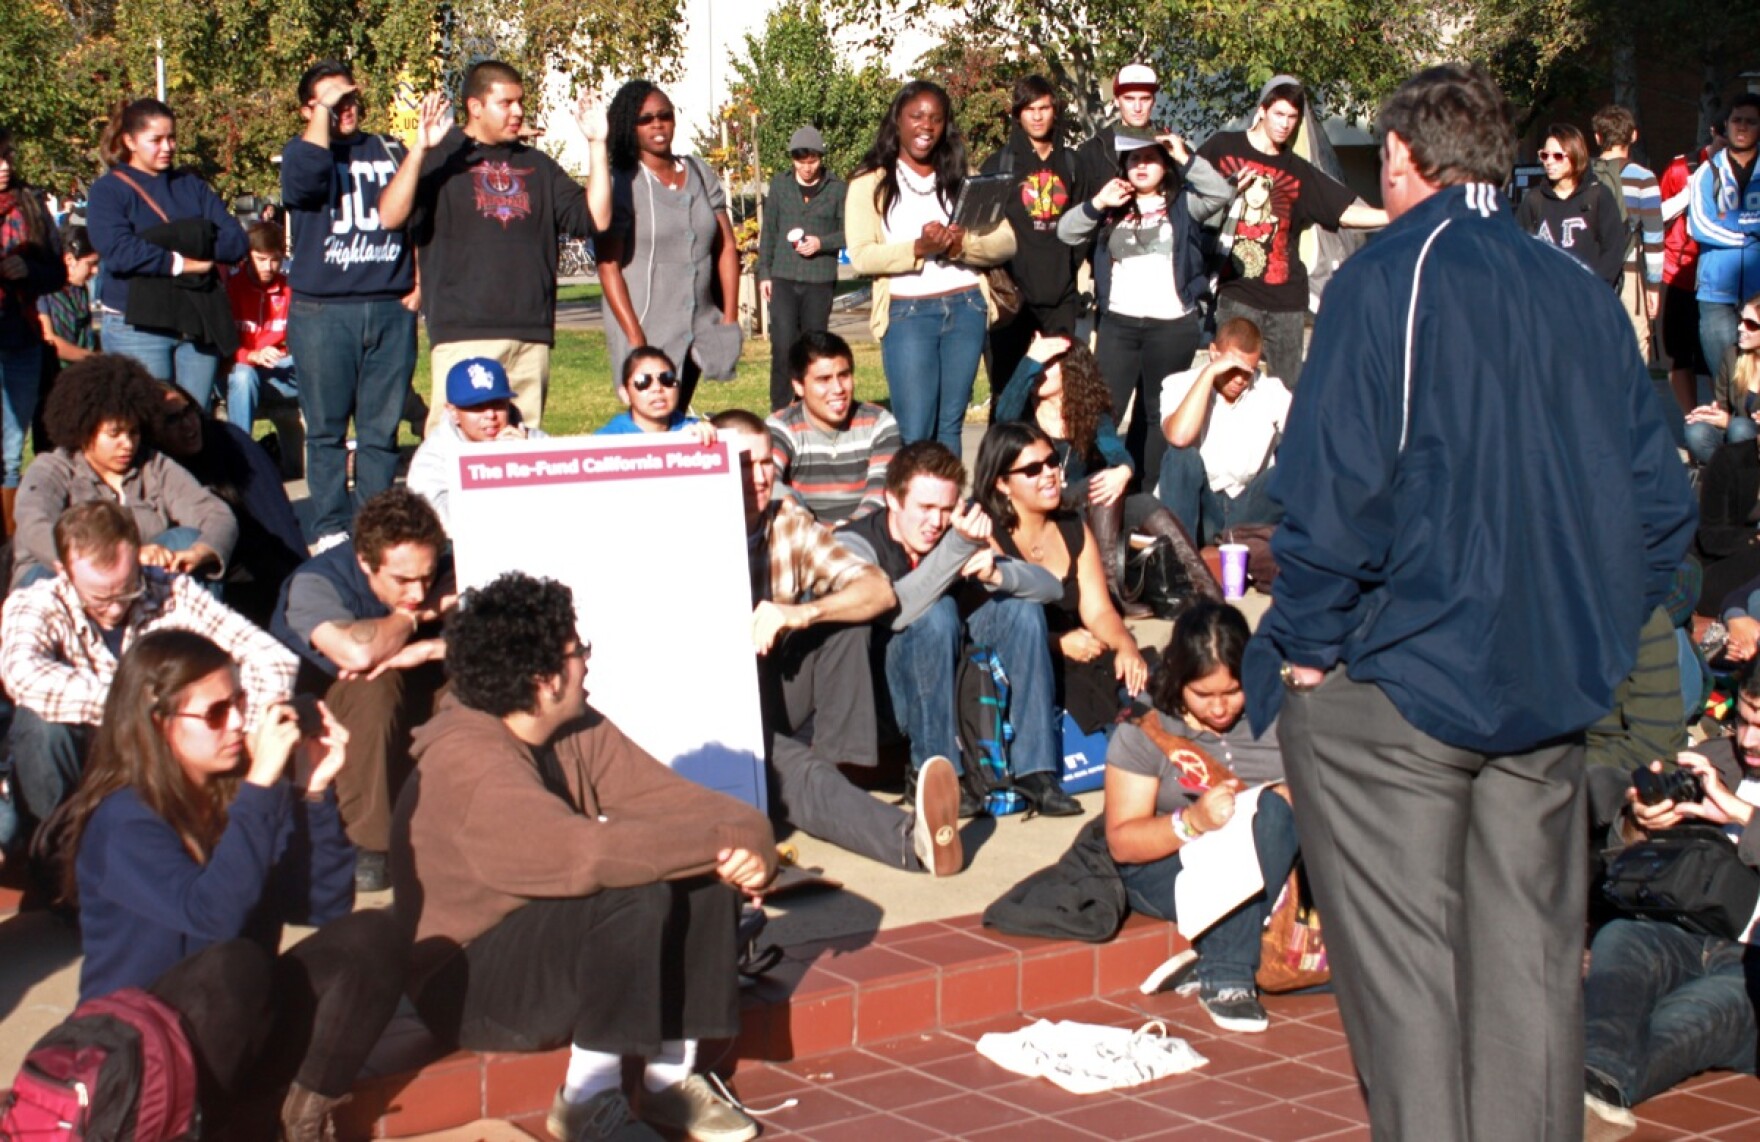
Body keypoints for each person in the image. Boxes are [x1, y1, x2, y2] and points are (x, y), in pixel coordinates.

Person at [1246, 63, 1696, 1140]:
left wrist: (1305, 638)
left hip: (1398, 678)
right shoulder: (1576, 293)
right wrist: (1589, 620)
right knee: (1528, 973)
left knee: (1410, 983)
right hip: (1541, 678)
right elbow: (1657, 500)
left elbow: (1337, 484)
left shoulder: (1384, 278)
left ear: (1400, 161)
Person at [393, 572, 772, 1142]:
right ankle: (587, 1102)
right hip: (465, 982)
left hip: (539, 944)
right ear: (544, 679)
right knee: (637, 885)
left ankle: (670, 1082)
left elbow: (681, 806)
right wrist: (717, 842)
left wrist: (749, 843)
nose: (588, 663)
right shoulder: (466, 762)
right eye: (578, 651)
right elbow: (582, 856)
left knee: (694, 863)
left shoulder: (572, 728)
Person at [61, 629, 405, 1140]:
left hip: (235, 1023)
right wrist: (262, 786)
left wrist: (313, 792)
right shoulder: (123, 820)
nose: (240, 723)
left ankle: (300, 1119)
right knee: (234, 963)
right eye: (216, 713)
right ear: (157, 725)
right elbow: (214, 917)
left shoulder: (239, 799)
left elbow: (324, 905)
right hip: (138, 1051)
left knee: (373, 936)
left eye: (240, 703)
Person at [711, 408, 964, 876]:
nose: (762, 475)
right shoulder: (681, 523)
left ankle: (838, 769)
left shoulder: (786, 520)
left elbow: (877, 590)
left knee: (844, 618)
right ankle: (912, 841)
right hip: (714, 709)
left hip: (772, 683)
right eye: (745, 464)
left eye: (768, 462)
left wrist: (801, 612)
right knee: (795, 772)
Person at [1, 500, 297, 828]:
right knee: (40, 726)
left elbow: (272, 658)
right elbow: (22, 674)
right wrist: (135, 703)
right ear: (63, 572)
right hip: (89, 750)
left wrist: (251, 727)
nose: (115, 610)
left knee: (256, 702)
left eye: (127, 591)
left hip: (169, 746)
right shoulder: (35, 602)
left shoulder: (168, 588)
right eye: (100, 598)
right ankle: (52, 852)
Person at [838, 439, 1071, 817]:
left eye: (946, 509)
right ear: (892, 500)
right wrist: (956, 549)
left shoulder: (953, 533)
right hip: (881, 699)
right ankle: (934, 771)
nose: (936, 522)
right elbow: (895, 611)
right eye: (925, 508)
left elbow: (1051, 588)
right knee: (937, 613)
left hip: (948, 686)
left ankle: (1035, 770)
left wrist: (996, 572)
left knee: (1021, 612)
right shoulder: (856, 543)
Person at [1581, 663, 1760, 1138]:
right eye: (1743, 719)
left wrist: (1743, 814)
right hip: (1684, 935)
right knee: (1623, 940)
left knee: (1692, 1016)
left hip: (1752, 968)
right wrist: (1641, 822)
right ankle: (1592, 1091)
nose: (1748, 741)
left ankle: (1585, 1090)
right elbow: (1632, 870)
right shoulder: (1715, 759)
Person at [1104, 600, 1298, 1032]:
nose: (1219, 708)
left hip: (1273, 857)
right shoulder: (1146, 728)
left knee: (1274, 812)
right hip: (1168, 864)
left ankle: (1211, 954)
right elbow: (1122, 840)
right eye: (1204, 695)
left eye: (1232, 692)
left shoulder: (1280, 714)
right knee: (1245, 832)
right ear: (1179, 681)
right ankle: (1226, 974)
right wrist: (1193, 821)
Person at [408, 61, 609, 435]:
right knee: (454, 451)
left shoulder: (538, 166)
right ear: (476, 106)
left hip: (530, 331)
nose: (518, 111)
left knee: (520, 453)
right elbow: (393, 215)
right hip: (464, 332)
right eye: (507, 103)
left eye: (521, 102)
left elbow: (593, 220)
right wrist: (418, 151)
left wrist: (597, 145)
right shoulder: (441, 158)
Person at [270, 487, 450, 891]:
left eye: (427, 577)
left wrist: (432, 648)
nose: (418, 592)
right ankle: (366, 841)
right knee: (375, 684)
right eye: (402, 581)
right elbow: (356, 654)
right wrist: (415, 618)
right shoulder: (317, 583)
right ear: (366, 563)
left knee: (470, 675)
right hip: (329, 715)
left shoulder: (452, 566)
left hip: (417, 696)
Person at [280, 60, 423, 548]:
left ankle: (373, 525)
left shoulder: (388, 148)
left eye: (350, 99)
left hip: (389, 305)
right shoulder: (302, 152)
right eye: (332, 101)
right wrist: (322, 115)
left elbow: (416, 221)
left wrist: (418, 286)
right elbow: (307, 184)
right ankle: (329, 529)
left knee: (380, 431)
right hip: (323, 311)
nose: (346, 109)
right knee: (325, 431)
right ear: (309, 109)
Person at [846, 80, 1015, 456]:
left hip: (966, 305)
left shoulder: (962, 175)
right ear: (897, 121)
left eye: (936, 119)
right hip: (908, 313)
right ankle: (915, 511)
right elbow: (861, 255)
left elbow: (1007, 240)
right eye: (917, 116)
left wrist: (960, 245)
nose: (927, 126)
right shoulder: (870, 181)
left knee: (949, 427)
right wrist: (918, 249)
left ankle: (948, 513)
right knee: (916, 429)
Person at [992, 332, 1218, 612]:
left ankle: (1210, 592)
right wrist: (1031, 359)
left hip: (1077, 505)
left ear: (1070, 371)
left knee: (1142, 501)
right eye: (1038, 364)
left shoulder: (1089, 412)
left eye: (1048, 364)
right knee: (1100, 485)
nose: (1040, 372)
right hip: (1036, 505)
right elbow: (1002, 418)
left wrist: (1124, 469)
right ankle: (1109, 595)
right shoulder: (1023, 412)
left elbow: (1116, 451)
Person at [1057, 132, 1230, 484]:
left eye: (1151, 158)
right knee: (1102, 411)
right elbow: (1066, 232)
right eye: (1134, 159)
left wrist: (1185, 157)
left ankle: (1143, 496)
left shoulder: (1184, 205)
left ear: (1164, 166)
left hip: (1171, 326)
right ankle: (1088, 489)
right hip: (1119, 325)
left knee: (1155, 414)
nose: (1142, 165)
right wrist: (1098, 203)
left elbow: (1221, 193)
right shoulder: (1112, 209)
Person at [1197, 76, 1387, 390]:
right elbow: (1187, 190)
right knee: (1229, 385)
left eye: (1292, 117)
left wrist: (1398, 214)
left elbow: (1344, 213)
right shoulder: (1222, 147)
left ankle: (1284, 443)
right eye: (1279, 114)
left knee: (1286, 393)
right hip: (1236, 292)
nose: (1285, 124)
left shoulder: (1298, 170)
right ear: (1262, 111)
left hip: (1286, 300)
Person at [976, 421, 1149, 745]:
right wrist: (1057, 643)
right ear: (1002, 483)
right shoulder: (989, 536)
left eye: (1052, 461)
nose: (1049, 474)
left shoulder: (1072, 526)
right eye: (1032, 469)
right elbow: (996, 628)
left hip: (1083, 650)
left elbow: (1098, 612)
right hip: (1025, 663)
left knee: (1146, 678)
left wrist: (1125, 645)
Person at [13, 353, 236, 589]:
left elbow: (214, 512)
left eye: (133, 433)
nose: (127, 444)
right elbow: (34, 524)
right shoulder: (52, 469)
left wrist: (201, 551)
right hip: (61, 577)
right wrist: (120, 558)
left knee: (186, 540)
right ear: (85, 430)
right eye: (114, 434)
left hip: (142, 584)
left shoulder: (153, 465)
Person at [86, 98, 248, 410]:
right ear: (130, 141)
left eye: (172, 138)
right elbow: (119, 251)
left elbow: (235, 242)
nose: (167, 147)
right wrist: (183, 260)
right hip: (137, 326)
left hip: (195, 321)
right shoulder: (110, 190)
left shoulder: (191, 186)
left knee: (193, 422)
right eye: (156, 140)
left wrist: (162, 243)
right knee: (147, 421)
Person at [598, 79, 741, 413]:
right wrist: (635, 338)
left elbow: (726, 248)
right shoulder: (621, 181)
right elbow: (608, 267)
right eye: (645, 119)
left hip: (700, 324)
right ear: (628, 127)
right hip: (647, 325)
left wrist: (729, 317)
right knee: (652, 424)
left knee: (678, 413)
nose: (657, 124)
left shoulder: (698, 172)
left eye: (664, 115)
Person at [143, 380, 309, 624]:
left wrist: (306, 582)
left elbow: (279, 521)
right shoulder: (153, 470)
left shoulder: (229, 441)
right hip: (209, 583)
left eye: (190, 411)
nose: (188, 424)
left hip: (265, 575)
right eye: (172, 420)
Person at [979, 76, 1084, 389]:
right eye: (1029, 109)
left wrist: (1068, 269)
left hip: (1060, 299)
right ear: (1017, 115)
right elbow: (982, 232)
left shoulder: (1072, 164)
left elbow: (1083, 228)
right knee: (1009, 394)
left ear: (1055, 111)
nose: (1037, 116)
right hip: (1012, 301)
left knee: (1062, 393)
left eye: (1044, 108)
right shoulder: (999, 164)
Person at [1157, 316, 1290, 544]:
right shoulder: (1178, 384)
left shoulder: (1271, 390)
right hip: (1201, 506)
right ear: (1214, 353)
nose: (1240, 379)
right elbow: (1179, 437)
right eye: (1232, 369)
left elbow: (1310, 441)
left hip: (1248, 506)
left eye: (1248, 371)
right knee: (1181, 457)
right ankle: (1181, 563)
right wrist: (1209, 374)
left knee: (1297, 467)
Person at [0, 126, 67, 526]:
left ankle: (6, 553)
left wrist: (29, 269)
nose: (4, 167)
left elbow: (57, 272)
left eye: (7, 157)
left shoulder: (28, 206)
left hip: (19, 340)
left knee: (9, 452)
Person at [766, 330, 900, 524]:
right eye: (824, 379)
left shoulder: (879, 424)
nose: (838, 389)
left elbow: (881, 496)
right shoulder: (781, 426)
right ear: (798, 386)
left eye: (844, 376)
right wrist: (812, 530)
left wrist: (844, 532)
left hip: (866, 538)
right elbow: (768, 484)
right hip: (803, 539)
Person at [758, 126, 846, 411]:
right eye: (800, 161)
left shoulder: (837, 189)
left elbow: (851, 232)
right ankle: (781, 408)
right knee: (782, 345)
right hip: (783, 275)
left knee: (814, 347)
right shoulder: (780, 185)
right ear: (793, 159)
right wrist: (764, 274)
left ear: (821, 158)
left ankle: (813, 406)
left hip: (819, 278)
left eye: (812, 161)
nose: (807, 167)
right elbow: (769, 232)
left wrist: (822, 242)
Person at [407, 356, 547, 533]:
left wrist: (524, 461)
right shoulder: (432, 457)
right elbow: (438, 521)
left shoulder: (534, 442)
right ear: (453, 412)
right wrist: (498, 469)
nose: (490, 414)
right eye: (477, 407)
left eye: (497, 404)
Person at [1689, 95, 1760, 374]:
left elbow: (1715, 224)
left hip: (1758, 295)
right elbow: (1700, 226)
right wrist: (1751, 233)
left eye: (1751, 121)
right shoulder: (1707, 171)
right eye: (1736, 120)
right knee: (1724, 379)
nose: (1742, 127)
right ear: (1725, 125)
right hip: (1716, 291)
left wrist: (1730, 221)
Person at [1593, 104, 1665, 358]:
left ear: (1598, 137)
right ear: (1633, 135)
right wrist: (1654, 286)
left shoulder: (1584, 177)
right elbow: (1654, 236)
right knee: (1635, 341)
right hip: (1630, 269)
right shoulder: (1644, 177)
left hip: (1590, 269)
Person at [1516, 122, 1627, 287]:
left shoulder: (1597, 196)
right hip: (1545, 298)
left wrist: (1596, 288)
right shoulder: (1534, 199)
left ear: (1575, 155)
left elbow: (1613, 250)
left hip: (1586, 297)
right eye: (1544, 155)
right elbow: (1518, 249)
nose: (1549, 162)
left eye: (1558, 156)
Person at [223, 221, 297, 439]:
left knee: (321, 369)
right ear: (248, 256)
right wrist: (252, 355)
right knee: (243, 376)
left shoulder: (289, 289)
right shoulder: (231, 288)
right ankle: (243, 452)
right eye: (261, 259)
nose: (268, 267)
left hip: (279, 369)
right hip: (238, 370)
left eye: (275, 259)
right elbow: (221, 349)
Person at [1660, 135, 1714, 417]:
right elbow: (1658, 215)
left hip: (1720, 275)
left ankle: (1723, 423)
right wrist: (1686, 195)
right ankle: (1691, 420)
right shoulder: (1682, 167)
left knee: (1720, 358)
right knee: (1680, 355)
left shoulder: (1745, 168)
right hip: (1680, 270)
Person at [34, 222, 97, 457]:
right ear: (69, 259)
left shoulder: (80, 290)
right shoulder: (45, 291)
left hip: (79, 380)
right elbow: (50, 339)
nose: (95, 272)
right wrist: (94, 358)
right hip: (50, 380)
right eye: (90, 264)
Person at [1684, 289, 1760, 465]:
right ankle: (1731, 480)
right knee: (1695, 430)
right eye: (1741, 320)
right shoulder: (1733, 355)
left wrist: (1729, 422)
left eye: (1751, 324)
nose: (1741, 327)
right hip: (1740, 437)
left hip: (1746, 435)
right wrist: (1711, 414)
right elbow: (1724, 407)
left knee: (1739, 428)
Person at [594, 346, 710, 439]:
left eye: (667, 379)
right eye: (643, 381)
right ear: (625, 394)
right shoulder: (608, 441)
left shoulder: (695, 431)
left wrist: (709, 436)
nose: (657, 388)